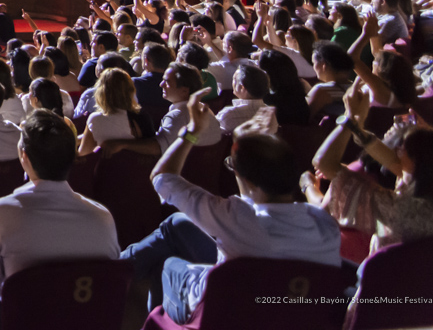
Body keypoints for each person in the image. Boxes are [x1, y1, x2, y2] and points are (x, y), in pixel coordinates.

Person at [120, 93, 341, 324]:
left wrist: (193, 131)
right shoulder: (325, 224)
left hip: (221, 307)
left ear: (248, 180)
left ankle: (115, 275)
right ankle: (118, 269)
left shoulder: (239, 216)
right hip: (282, 310)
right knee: (177, 223)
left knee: (166, 266)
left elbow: (162, 178)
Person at [0, 111, 120, 330]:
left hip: (24, 322)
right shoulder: (103, 217)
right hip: (82, 323)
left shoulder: (1, 213)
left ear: (24, 157)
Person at [312, 83, 433, 252]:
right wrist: (359, 131)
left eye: (402, 149)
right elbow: (399, 164)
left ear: (415, 164)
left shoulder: (398, 209)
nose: (396, 152)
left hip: (393, 276)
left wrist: (351, 118)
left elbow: (323, 162)